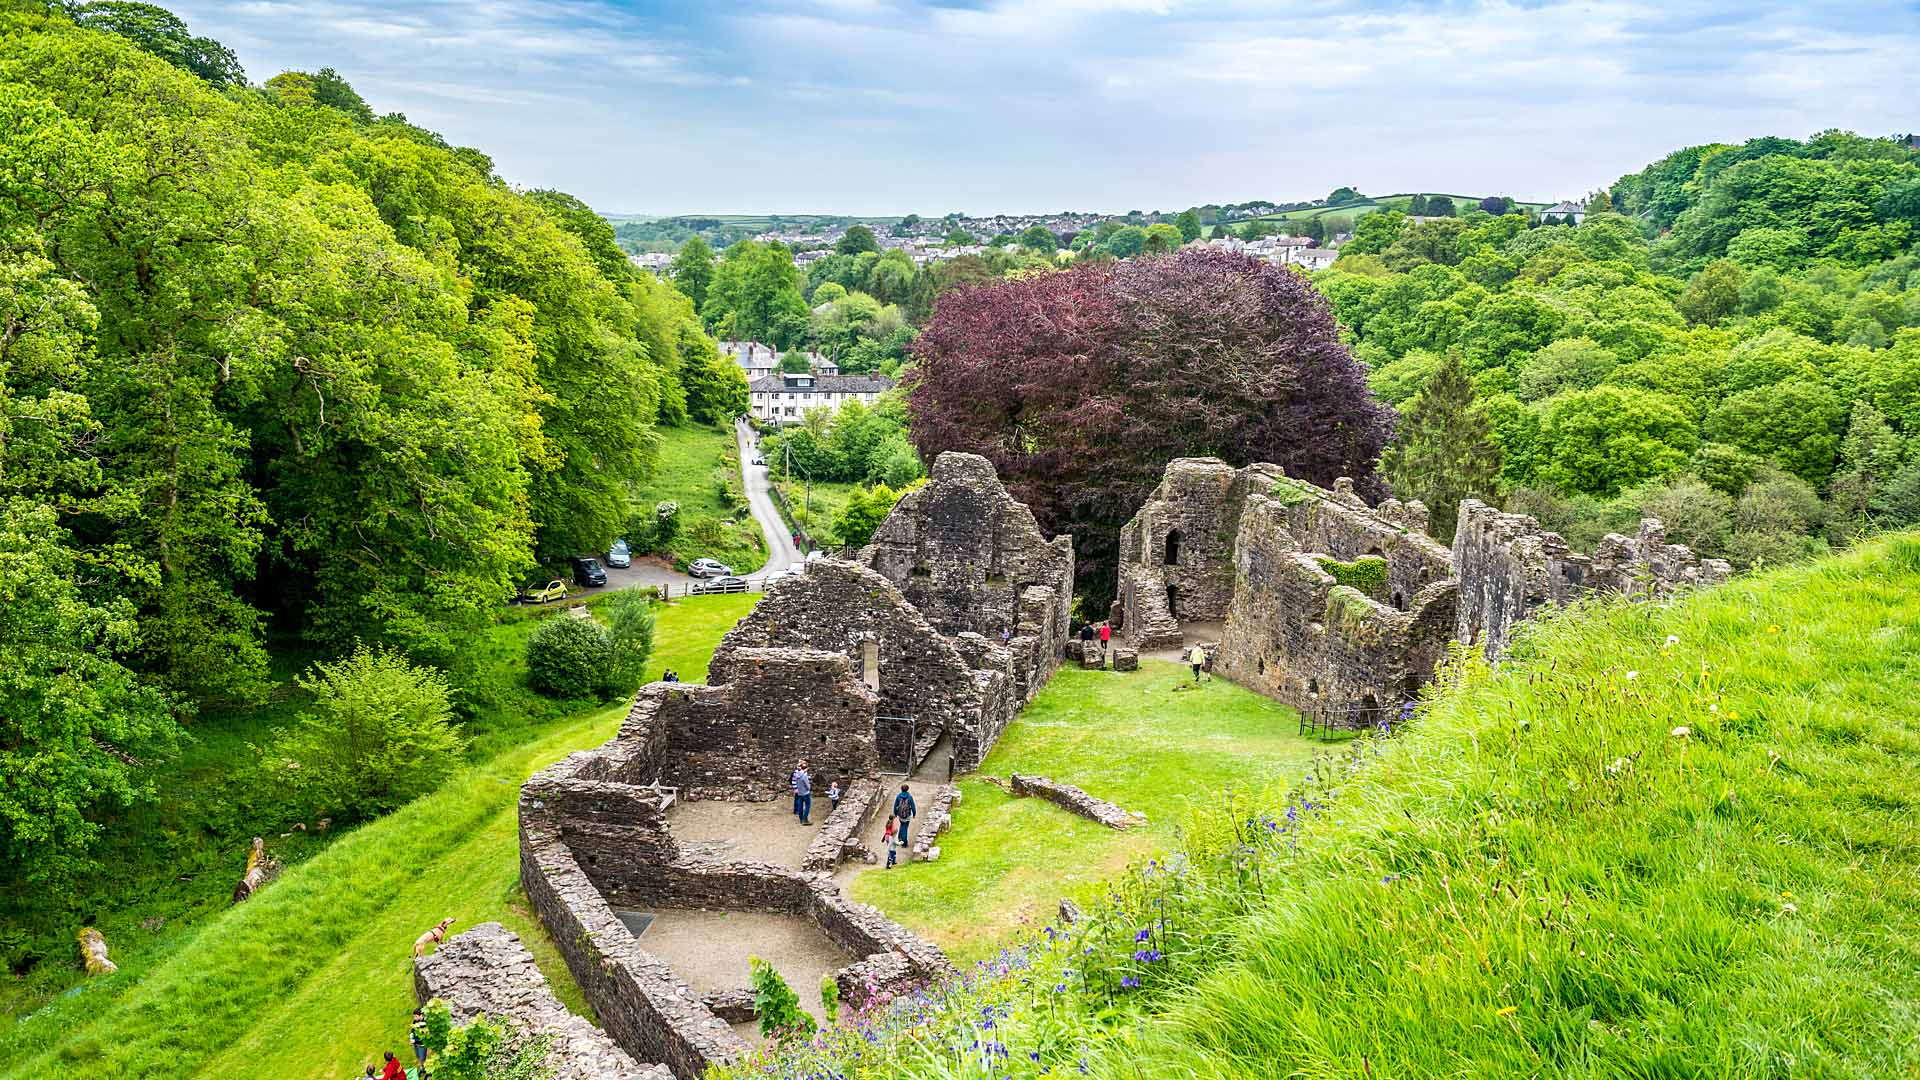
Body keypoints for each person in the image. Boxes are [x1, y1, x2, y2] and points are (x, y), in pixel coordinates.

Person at [892, 783, 917, 849]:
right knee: (905, 828)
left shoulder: (898, 796)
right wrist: (914, 814)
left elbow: (895, 806)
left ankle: (900, 837)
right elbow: (913, 807)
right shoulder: (910, 797)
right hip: (907, 815)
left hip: (900, 815)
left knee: (902, 825)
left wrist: (895, 814)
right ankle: (904, 842)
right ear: (907, 789)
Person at [791, 760, 813, 825]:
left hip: (800, 792)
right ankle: (804, 819)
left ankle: (801, 819)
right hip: (805, 793)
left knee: (800, 806)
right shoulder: (804, 776)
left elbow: (795, 782)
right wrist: (809, 789)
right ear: (806, 768)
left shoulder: (796, 774)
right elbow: (807, 785)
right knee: (807, 806)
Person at [410, 1008, 430, 1078]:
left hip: (421, 1044)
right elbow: (412, 1029)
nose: (414, 1018)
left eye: (415, 1016)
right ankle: (422, 1068)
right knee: (418, 1056)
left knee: (422, 1058)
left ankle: (428, 1071)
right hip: (415, 1043)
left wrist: (415, 1041)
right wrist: (411, 1035)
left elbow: (424, 1039)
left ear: (420, 1015)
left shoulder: (425, 1024)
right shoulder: (415, 1021)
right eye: (414, 1016)